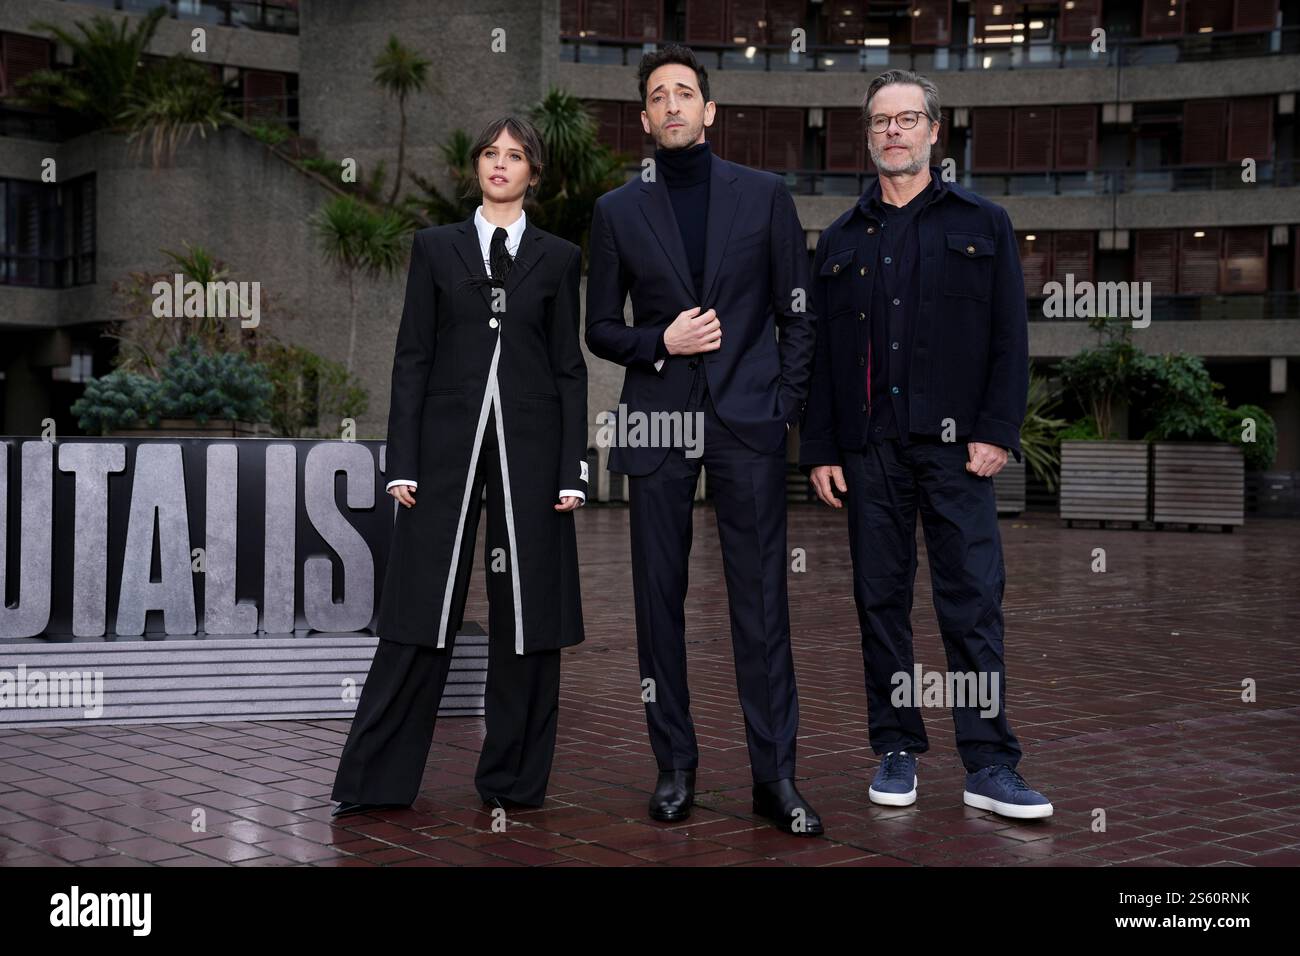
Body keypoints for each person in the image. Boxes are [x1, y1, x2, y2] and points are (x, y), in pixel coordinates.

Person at [799, 70, 1052, 820]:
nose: (894, 132)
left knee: (972, 601)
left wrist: (998, 432)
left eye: (908, 119)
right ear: (869, 135)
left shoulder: (983, 222)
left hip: (957, 452)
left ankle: (990, 764)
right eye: (881, 121)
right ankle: (896, 748)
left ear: (935, 132)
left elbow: (1011, 334)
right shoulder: (841, 239)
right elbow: (819, 355)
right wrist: (819, 447)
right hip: (869, 450)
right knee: (880, 601)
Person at [585, 44, 821, 835]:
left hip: (746, 420)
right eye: (659, 96)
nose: (674, 105)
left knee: (760, 604)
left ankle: (774, 776)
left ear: (709, 110)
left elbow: (799, 311)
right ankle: (675, 766)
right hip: (658, 417)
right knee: (660, 601)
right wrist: (661, 341)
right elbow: (600, 329)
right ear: (645, 118)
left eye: (686, 92)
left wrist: (783, 404)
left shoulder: (764, 196)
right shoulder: (618, 210)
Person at [331, 116, 588, 818]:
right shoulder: (435, 248)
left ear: (534, 173)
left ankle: (512, 782)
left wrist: (574, 468)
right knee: (421, 607)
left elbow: (569, 368)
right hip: (442, 456)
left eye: (515, 156)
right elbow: (412, 356)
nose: (500, 164)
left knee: (530, 613)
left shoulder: (560, 257)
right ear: (475, 166)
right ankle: (376, 784)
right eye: (489, 154)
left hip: (534, 458)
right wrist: (401, 461)